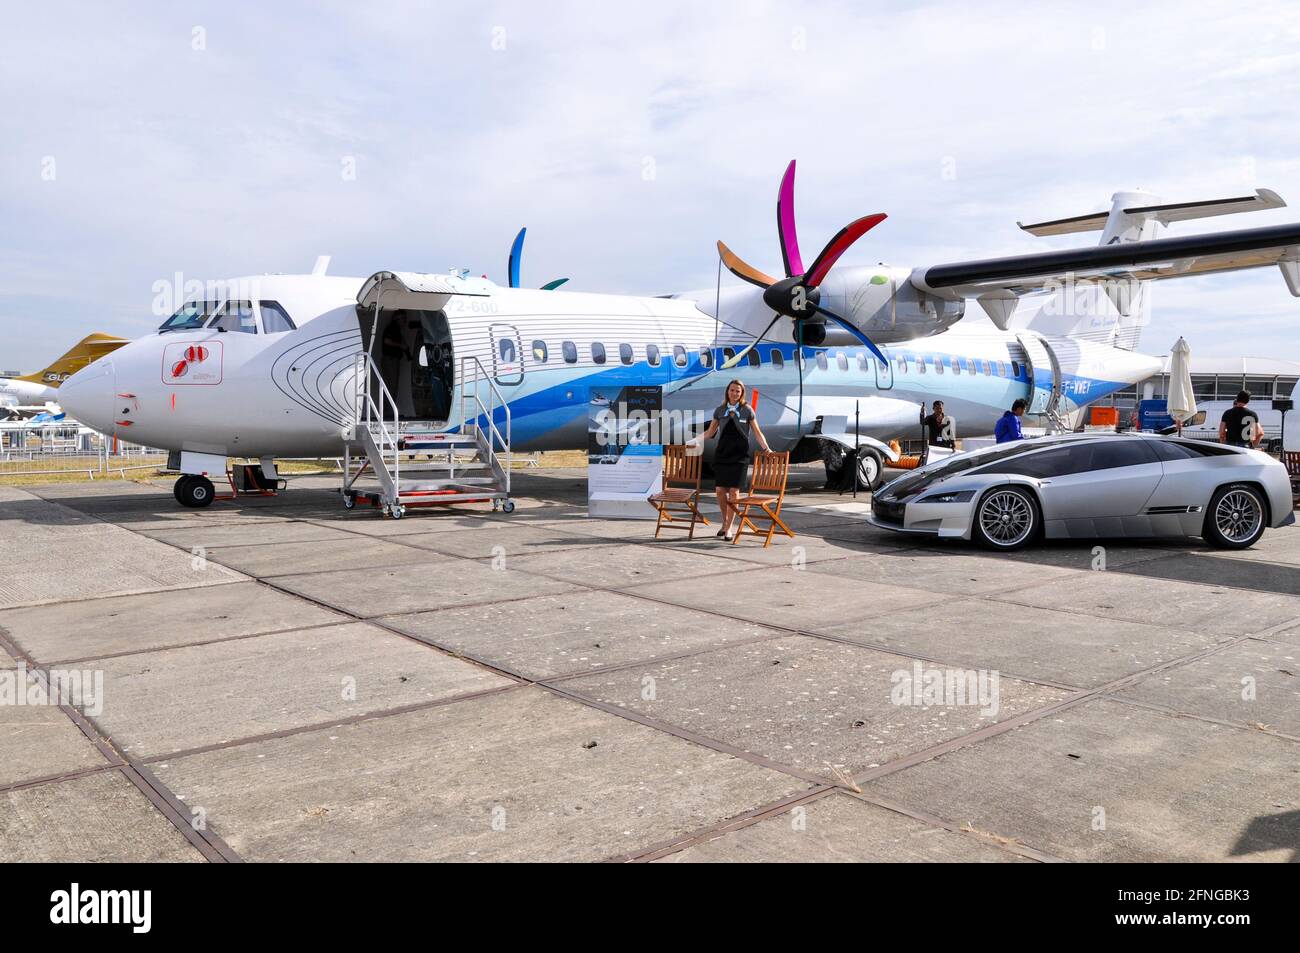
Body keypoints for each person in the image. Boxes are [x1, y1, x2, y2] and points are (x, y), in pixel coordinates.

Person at [691, 379, 771, 540]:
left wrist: (766, 448)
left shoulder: (747, 410)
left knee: (734, 492)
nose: (734, 393)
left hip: (740, 455)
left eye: (738, 391)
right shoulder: (720, 410)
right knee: (720, 491)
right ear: (727, 391)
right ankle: (725, 521)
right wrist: (694, 441)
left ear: (741, 394)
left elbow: (757, 432)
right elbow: (710, 432)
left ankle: (729, 528)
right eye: (732, 390)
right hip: (723, 454)